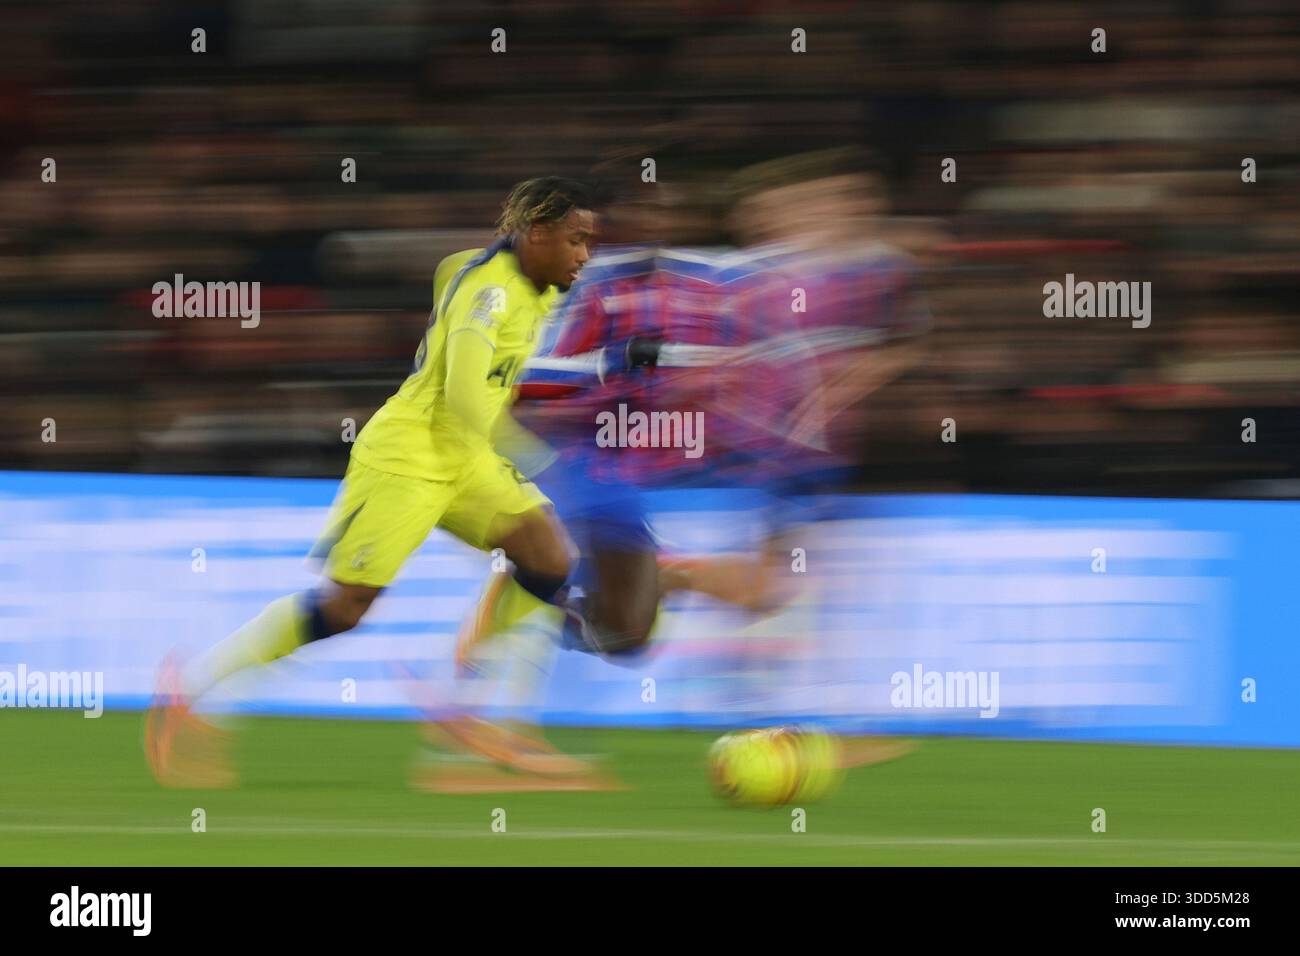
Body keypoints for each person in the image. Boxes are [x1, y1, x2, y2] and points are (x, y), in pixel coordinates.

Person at [145, 176, 597, 787]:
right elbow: (465, 397)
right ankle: (192, 689)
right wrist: (541, 459)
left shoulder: (523, 280)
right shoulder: (490, 292)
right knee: (345, 608)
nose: (584, 255)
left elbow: (461, 293)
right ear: (536, 234)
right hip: (408, 458)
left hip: (467, 459)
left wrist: (604, 366)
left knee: (546, 557)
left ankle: (495, 723)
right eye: (575, 239)